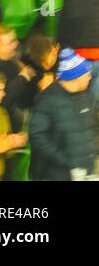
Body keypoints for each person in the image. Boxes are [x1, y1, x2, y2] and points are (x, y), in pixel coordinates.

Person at [28, 47, 97, 180]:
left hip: (85, 170)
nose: (90, 77)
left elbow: (93, 127)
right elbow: (37, 136)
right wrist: (66, 161)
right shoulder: (47, 100)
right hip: (56, 174)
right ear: (75, 77)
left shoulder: (89, 96)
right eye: (86, 74)